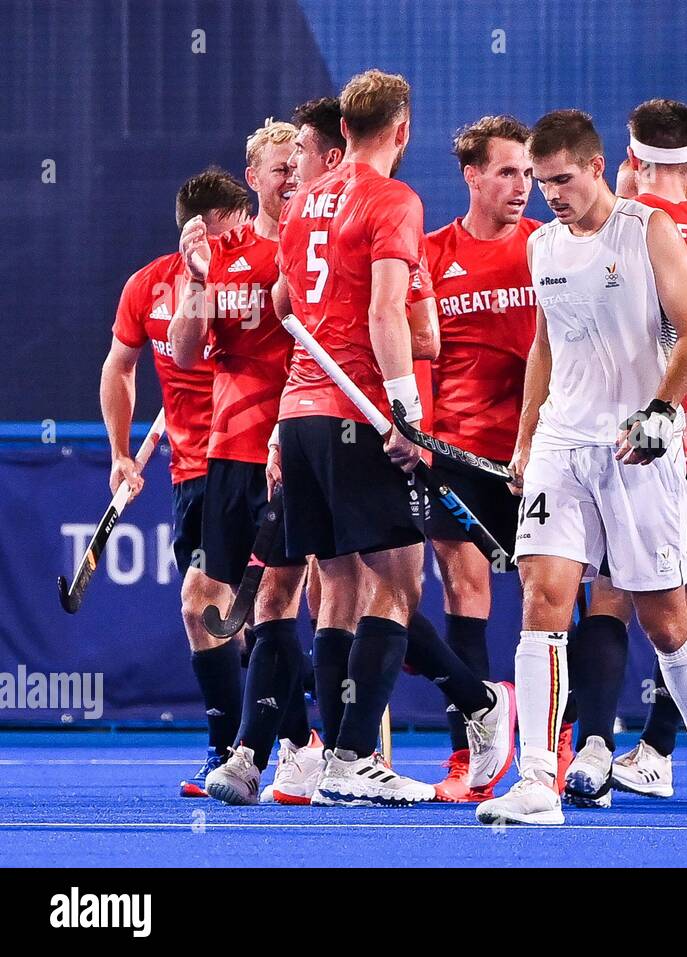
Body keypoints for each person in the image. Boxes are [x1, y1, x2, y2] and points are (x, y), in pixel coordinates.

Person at [476, 109, 687, 826]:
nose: (550, 194)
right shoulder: (543, 248)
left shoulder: (648, 229)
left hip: (640, 450)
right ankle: (537, 776)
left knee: (666, 620)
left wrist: (661, 408)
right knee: (543, 597)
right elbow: (544, 346)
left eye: (562, 179)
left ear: (598, 167)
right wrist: (527, 437)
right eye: (539, 182)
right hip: (564, 444)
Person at [274, 70, 513, 806]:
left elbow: (288, 300)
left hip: (301, 410)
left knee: (341, 585)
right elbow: (386, 314)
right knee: (400, 581)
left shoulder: (303, 201)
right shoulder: (393, 199)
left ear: (342, 130)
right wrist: (406, 415)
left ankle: (354, 747)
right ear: (401, 131)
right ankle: (351, 753)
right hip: (358, 411)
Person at [566, 98, 687, 809]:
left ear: (628, 155)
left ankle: (591, 750)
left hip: (621, 435)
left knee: (613, 594)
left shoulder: (610, 227)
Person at [170, 119, 322, 806]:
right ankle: (289, 740)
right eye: (277, 167)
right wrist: (198, 278)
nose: (289, 176)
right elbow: (182, 350)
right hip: (225, 453)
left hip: (291, 445)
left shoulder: (312, 248)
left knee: (273, 601)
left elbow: (312, 350)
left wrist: (284, 437)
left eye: (298, 164)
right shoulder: (221, 253)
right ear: (252, 175)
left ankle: (263, 752)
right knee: (207, 604)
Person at [100, 168, 250, 797]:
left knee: (221, 607)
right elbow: (119, 367)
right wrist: (119, 454)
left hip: (249, 461)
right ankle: (265, 743)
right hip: (188, 473)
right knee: (222, 619)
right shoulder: (147, 284)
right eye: (232, 226)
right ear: (205, 225)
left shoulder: (252, 276)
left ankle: (244, 750)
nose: (241, 235)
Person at [422, 115, 542, 802]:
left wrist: (538, 439)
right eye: (506, 172)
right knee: (463, 592)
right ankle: (469, 752)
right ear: (471, 175)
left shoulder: (547, 247)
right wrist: (426, 440)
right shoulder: (434, 255)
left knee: (547, 600)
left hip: (537, 454)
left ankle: (553, 748)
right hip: (457, 454)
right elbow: (421, 356)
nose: (520, 186)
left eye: (526, 174)